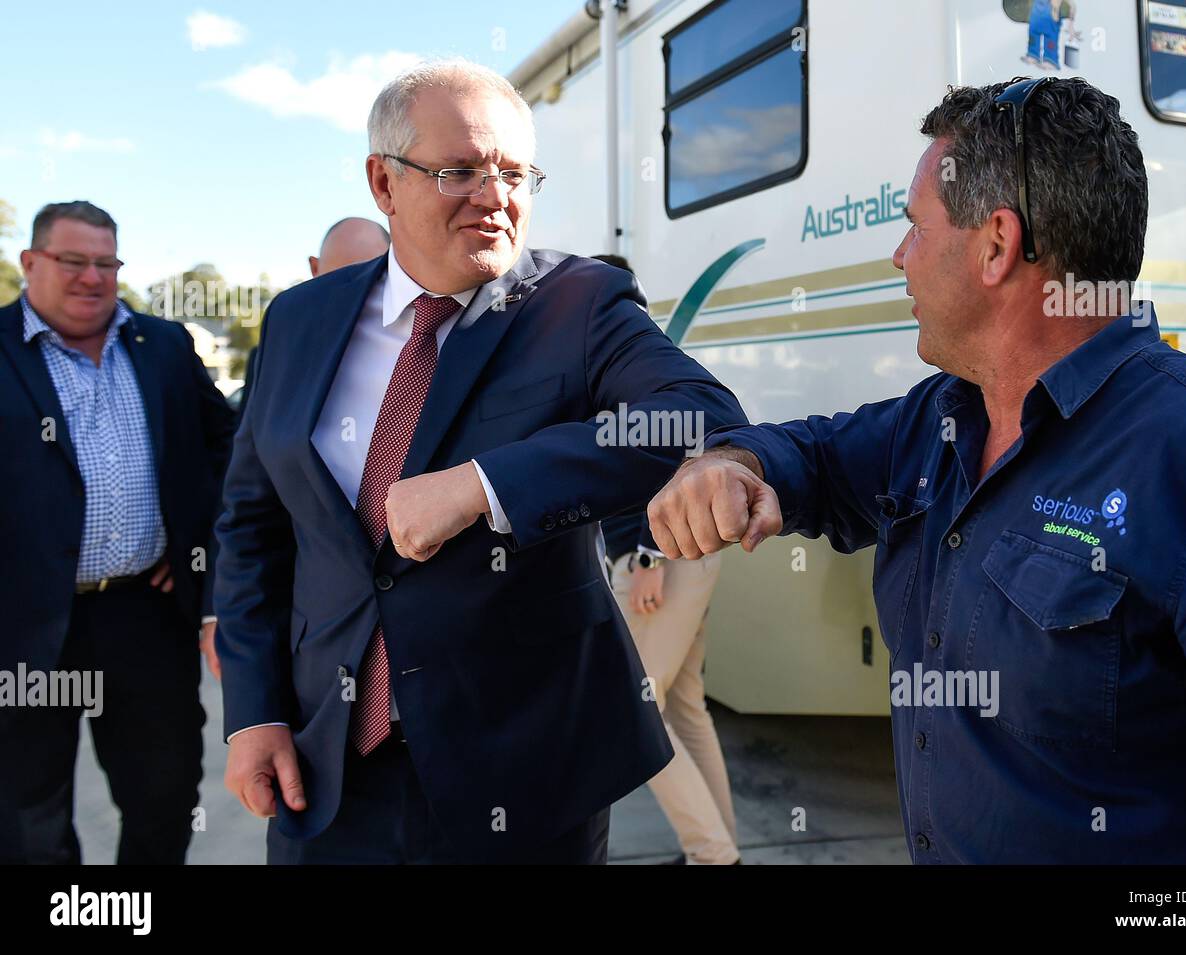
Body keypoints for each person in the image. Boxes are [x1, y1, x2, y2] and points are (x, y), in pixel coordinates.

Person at [648, 77, 1186, 863]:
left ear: (996, 244)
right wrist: (732, 462)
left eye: (914, 230)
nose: (898, 257)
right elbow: (815, 455)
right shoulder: (939, 419)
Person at [215, 59, 747, 864]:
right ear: (383, 183)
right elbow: (253, 530)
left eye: (514, 173)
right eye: (459, 170)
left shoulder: (579, 303)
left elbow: (697, 420)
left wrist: (485, 485)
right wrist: (253, 711)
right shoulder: (298, 320)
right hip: (328, 774)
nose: (495, 197)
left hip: (525, 775)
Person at [0, 201, 235, 863]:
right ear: (31, 262)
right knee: (27, 819)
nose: (92, 277)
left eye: (107, 263)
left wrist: (198, 554)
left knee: (163, 796)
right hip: (24, 626)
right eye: (73, 261)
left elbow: (233, 454)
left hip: (144, 614)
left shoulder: (162, 346)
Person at [593, 254, 739, 866]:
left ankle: (714, 856)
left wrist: (645, 553)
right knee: (683, 705)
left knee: (638, 712)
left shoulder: (621, 363)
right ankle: (716, 847)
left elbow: (657, 454)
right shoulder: (648, 355)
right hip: (691, 554)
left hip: (662, 556)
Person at [240, 217, 391, 410]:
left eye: (372, 278)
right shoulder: (274, 355)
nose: (353, 297)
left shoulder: (421, 351)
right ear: (314, 268)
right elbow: (247, 436)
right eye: (337, 281)